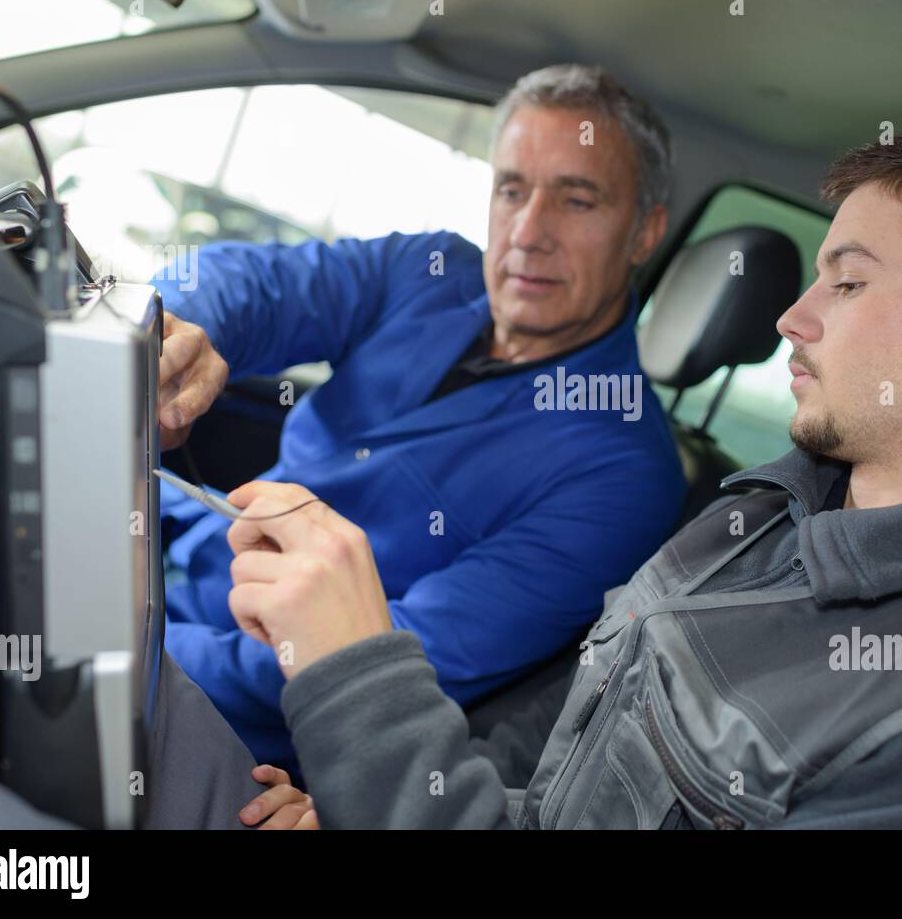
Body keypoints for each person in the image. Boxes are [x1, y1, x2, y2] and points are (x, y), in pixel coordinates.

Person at [228, 131, 902, 830]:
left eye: (846, 283)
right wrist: (364, 803)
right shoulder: (762, 522)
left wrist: (359, 675)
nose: (791, 319)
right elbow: (578, 803)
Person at [152, 64, 687, 768]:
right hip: (178, 548)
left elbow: (380, 660)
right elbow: (261, 282)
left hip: (225, 711)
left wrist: (137, 634)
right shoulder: (430, 270)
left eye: (577, 199)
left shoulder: (626, 473)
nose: (528, 232)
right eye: (512, 190)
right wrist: (176, 332)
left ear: (644, 232)